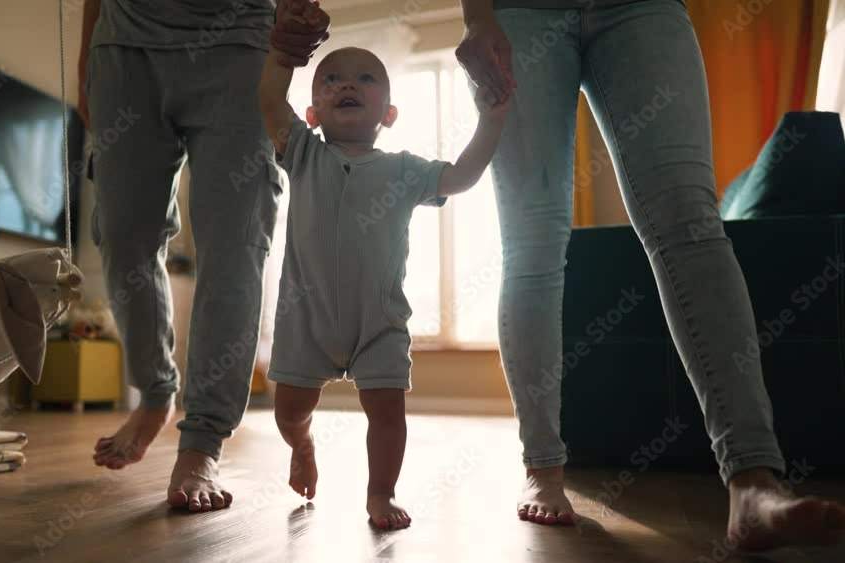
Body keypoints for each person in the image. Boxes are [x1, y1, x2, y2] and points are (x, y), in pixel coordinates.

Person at [455, 0, 845, 550]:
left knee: (691, 224)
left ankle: (753, 482)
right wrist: (477, 16)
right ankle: (542, 468)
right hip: (519, 12)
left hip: (641, 8)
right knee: (532, 242)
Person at [258, 6, 511, 528]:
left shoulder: (403, 170)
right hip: (307, 321)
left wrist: (492, 119)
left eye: (365, 78)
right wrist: (284, 55)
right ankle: (302, 447)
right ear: (311, 113)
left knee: (388, 415)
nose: (347, 84)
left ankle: (381, 493)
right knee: (288, 411)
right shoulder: (303, 153)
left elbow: (462, 175)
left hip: (381, 323)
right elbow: (266, 98)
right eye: (331, 79)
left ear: (389, 113)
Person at [78, 0, 328, 511]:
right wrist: (86, 58)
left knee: (235, 245)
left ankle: (202, 441)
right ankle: (154, 392)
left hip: (238, 42)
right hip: (124, 44)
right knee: (123, 233)